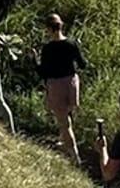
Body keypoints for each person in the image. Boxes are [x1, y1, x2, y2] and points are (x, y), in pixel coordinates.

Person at [38, 13, 89, 162]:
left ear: (50, 29)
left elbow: (43, 73)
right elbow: (82, 65)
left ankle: (75, 156)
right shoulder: (72, 44)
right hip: (72, 83)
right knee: (68, 114)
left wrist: (33, 61)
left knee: (64, 123)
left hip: (56, 86)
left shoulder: (47, 49)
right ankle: (63, 142)